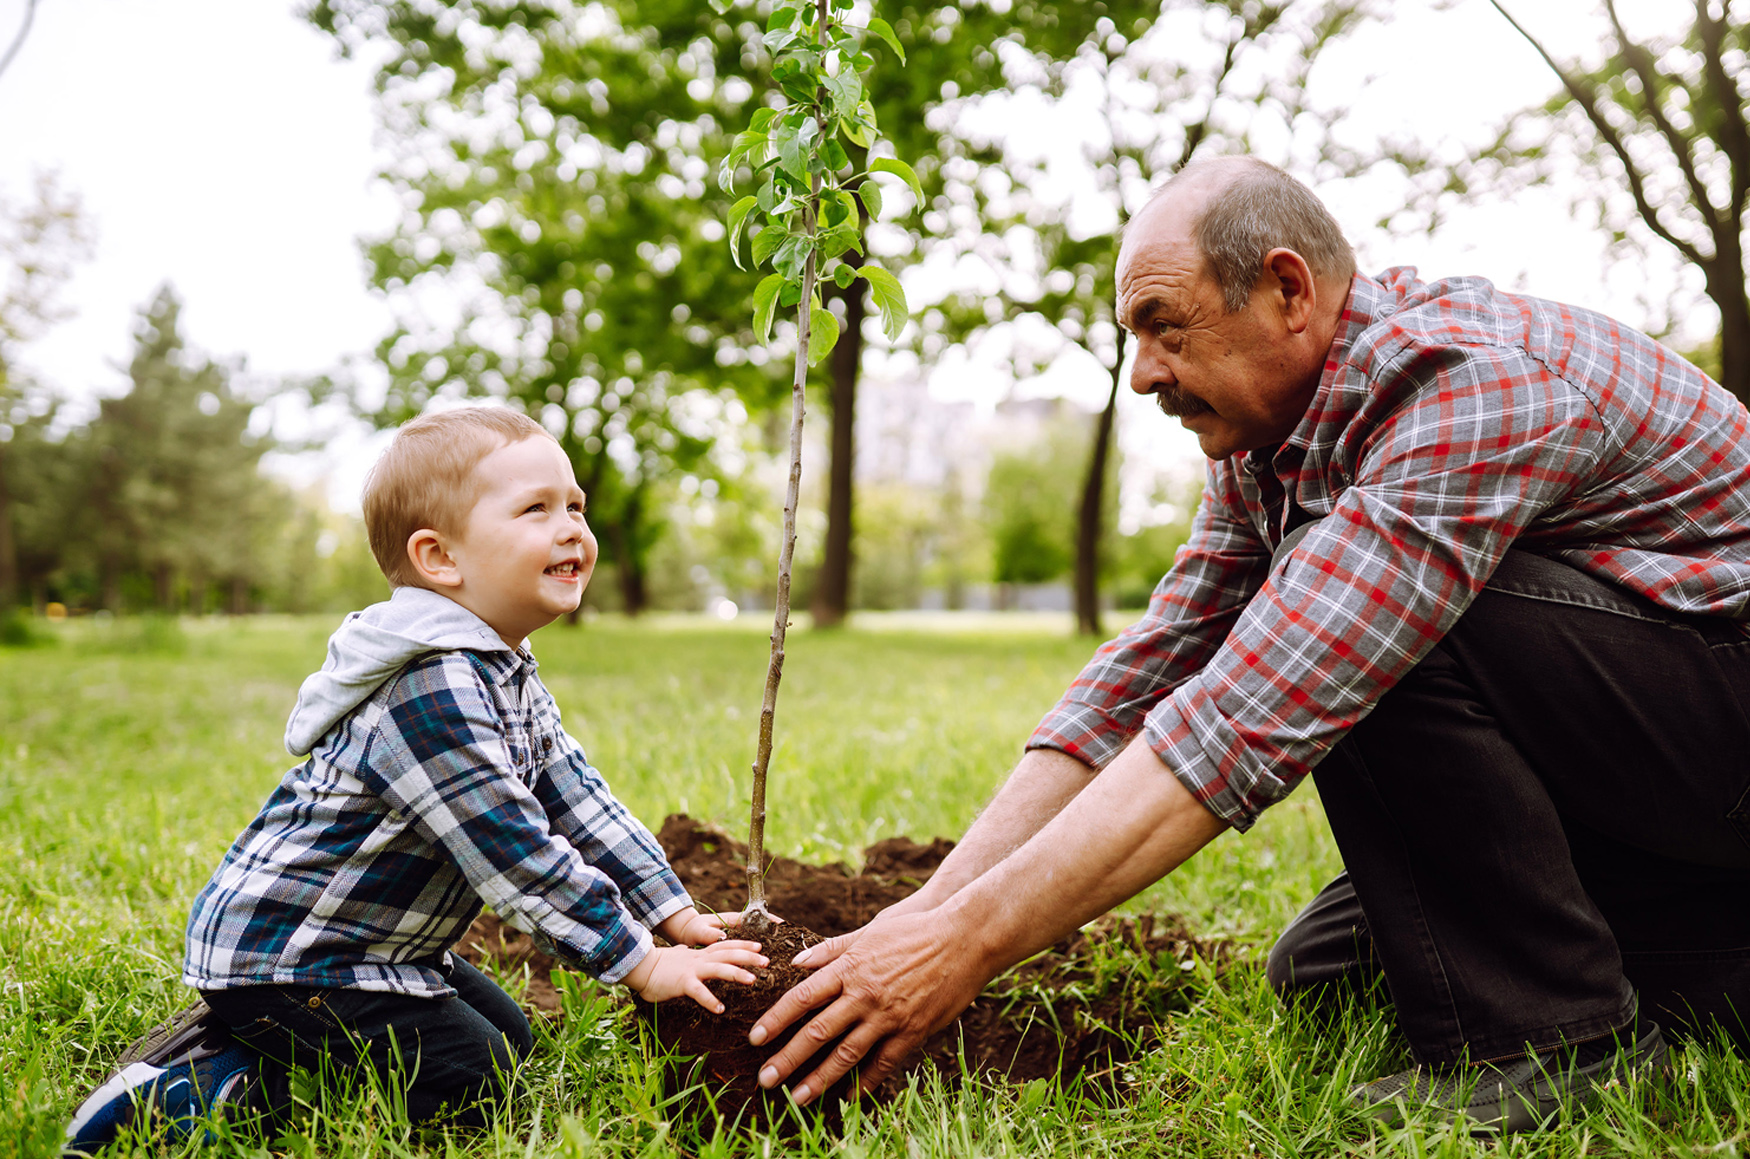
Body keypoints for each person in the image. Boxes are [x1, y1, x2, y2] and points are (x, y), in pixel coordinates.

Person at [748, 156, 1750, 1131]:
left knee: (1356, 624)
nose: (1141, 373)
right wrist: (928, 912)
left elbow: (1246, 709)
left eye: (1162, 327)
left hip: (1723, 722)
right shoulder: (1273, 442)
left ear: (1286, 290)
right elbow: (1147, 674)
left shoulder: (1468, 386)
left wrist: (958, 952)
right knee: (1326, 965)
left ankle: (1560, 1047)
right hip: (1656, 770)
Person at [65, 407, 767, 1151]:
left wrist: (672, 909)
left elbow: (577, 799)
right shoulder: (430, 687)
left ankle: (253, 1044)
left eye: (575, 506)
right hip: (292, 959)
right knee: (477, 1074)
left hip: (371, 950)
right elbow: (515, 852)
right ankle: (207, 1090)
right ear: (439, 558)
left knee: (511, 1035)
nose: (572, 528)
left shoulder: (500, 667)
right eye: (536, 508)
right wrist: (640, 959)